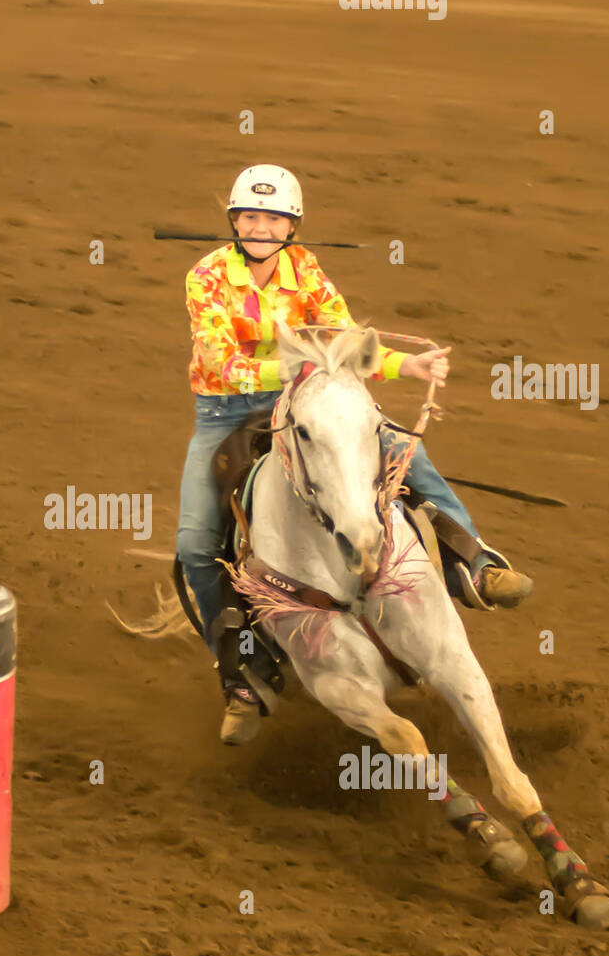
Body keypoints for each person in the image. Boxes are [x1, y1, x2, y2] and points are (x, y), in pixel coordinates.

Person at [177, 163, 532, 744]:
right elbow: (223, 364)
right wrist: (294, 366)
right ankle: (242, 669)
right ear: (233, 221)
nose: (259, 226)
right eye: (249, 216)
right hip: (228, 410)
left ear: (291, 227)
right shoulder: (207, 275)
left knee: (402, 450)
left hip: (307, 396)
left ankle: (474, 562)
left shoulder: (306, 271)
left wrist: (405, 365)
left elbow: (345, 347)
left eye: (273, 217)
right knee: (195, 543)